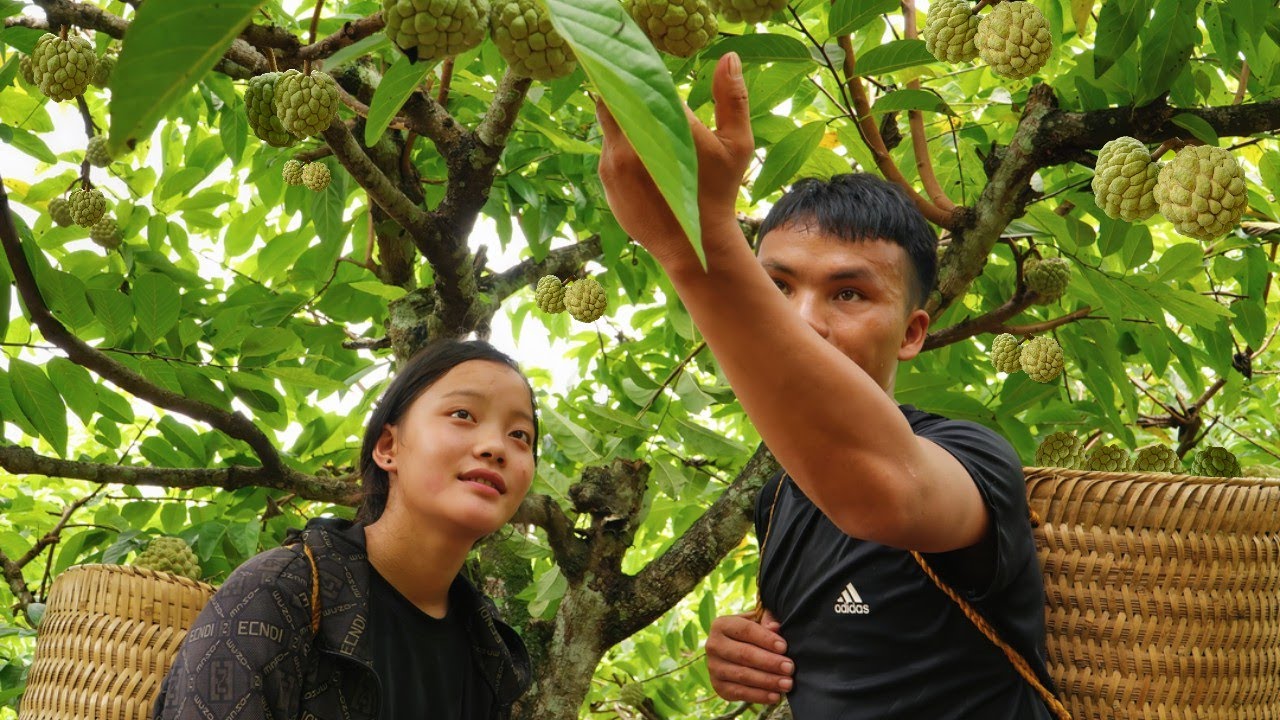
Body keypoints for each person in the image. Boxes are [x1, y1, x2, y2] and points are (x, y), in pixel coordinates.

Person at [596, 53, 1053, 718]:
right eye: (775, 286)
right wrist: (745, 652)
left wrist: (693, 246)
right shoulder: (779, 498)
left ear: (911, 332)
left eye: (848, 292)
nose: (803, 321)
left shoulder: (973, 460)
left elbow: (884, 494)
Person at [152, 339, 535, 720]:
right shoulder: (279, 591)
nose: (495, 446)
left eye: (520, 435)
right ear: (388, 446)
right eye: (463, 414)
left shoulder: (491, 653)